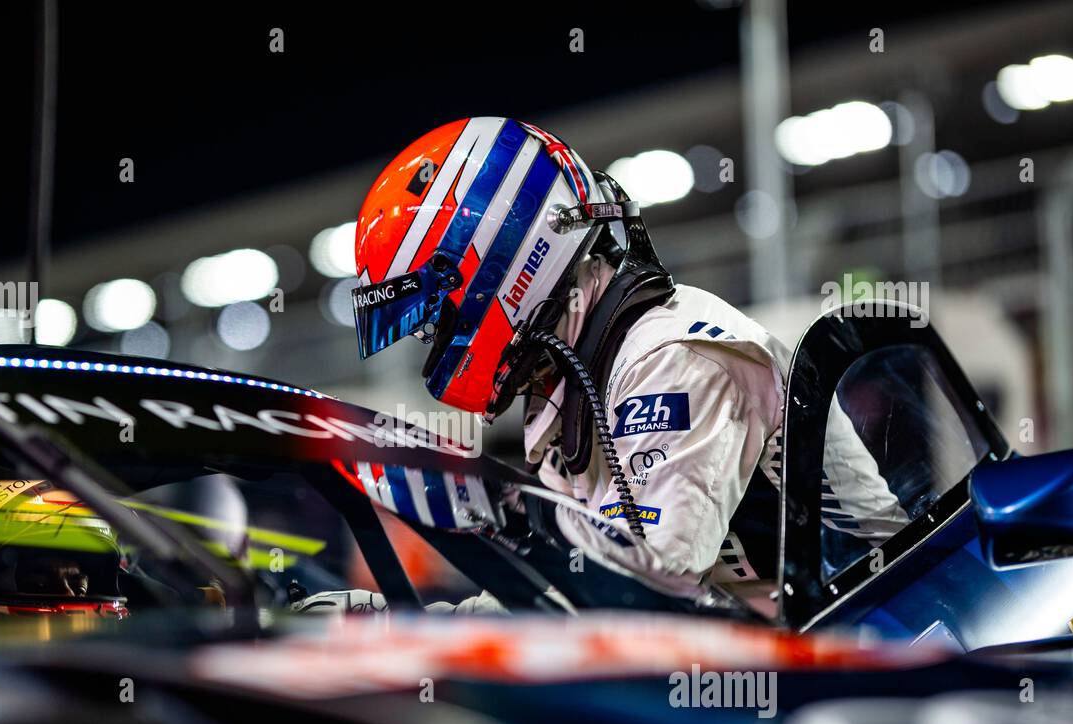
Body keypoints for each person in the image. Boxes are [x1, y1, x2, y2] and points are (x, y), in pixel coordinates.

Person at [305, 117, 906, 615]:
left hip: (885, 641)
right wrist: (399, 625)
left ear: (494, 265)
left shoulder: (671, 358)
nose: (438, 338)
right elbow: (574, 587)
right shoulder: (575, 383)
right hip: (784, 655)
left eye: (439, 316)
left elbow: (643, 587)